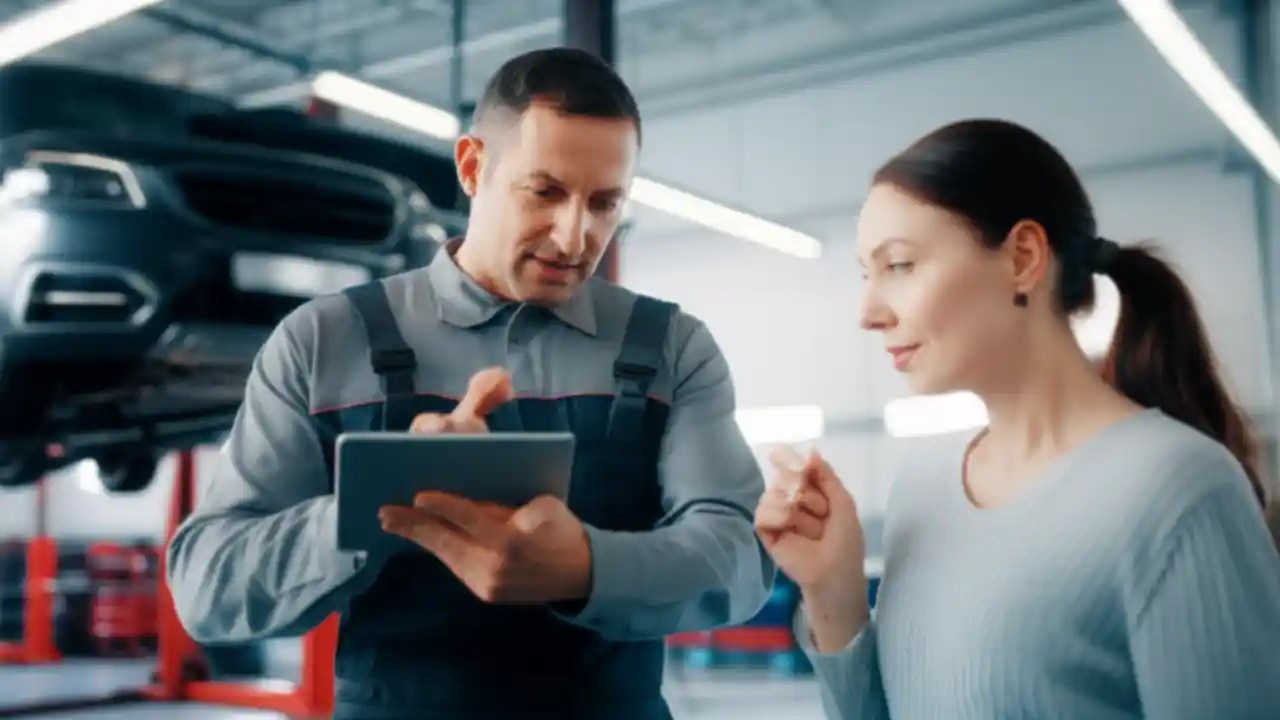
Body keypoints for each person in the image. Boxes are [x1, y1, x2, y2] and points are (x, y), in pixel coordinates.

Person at [165, 47, 774, 720]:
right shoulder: (323, 341)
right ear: (473, 167)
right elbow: (206, 588)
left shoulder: (669, 347)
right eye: (545, 192)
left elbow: (739, 555)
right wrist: (381, 500)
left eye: (604, 203)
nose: (575, 237)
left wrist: (586, 568)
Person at [756, 119, 1280, 719]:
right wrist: (834, 591)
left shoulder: (1176, 488)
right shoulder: (922, 484)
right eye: (865, 273)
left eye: (898, 265)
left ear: (1023, 257)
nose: (868, 312)